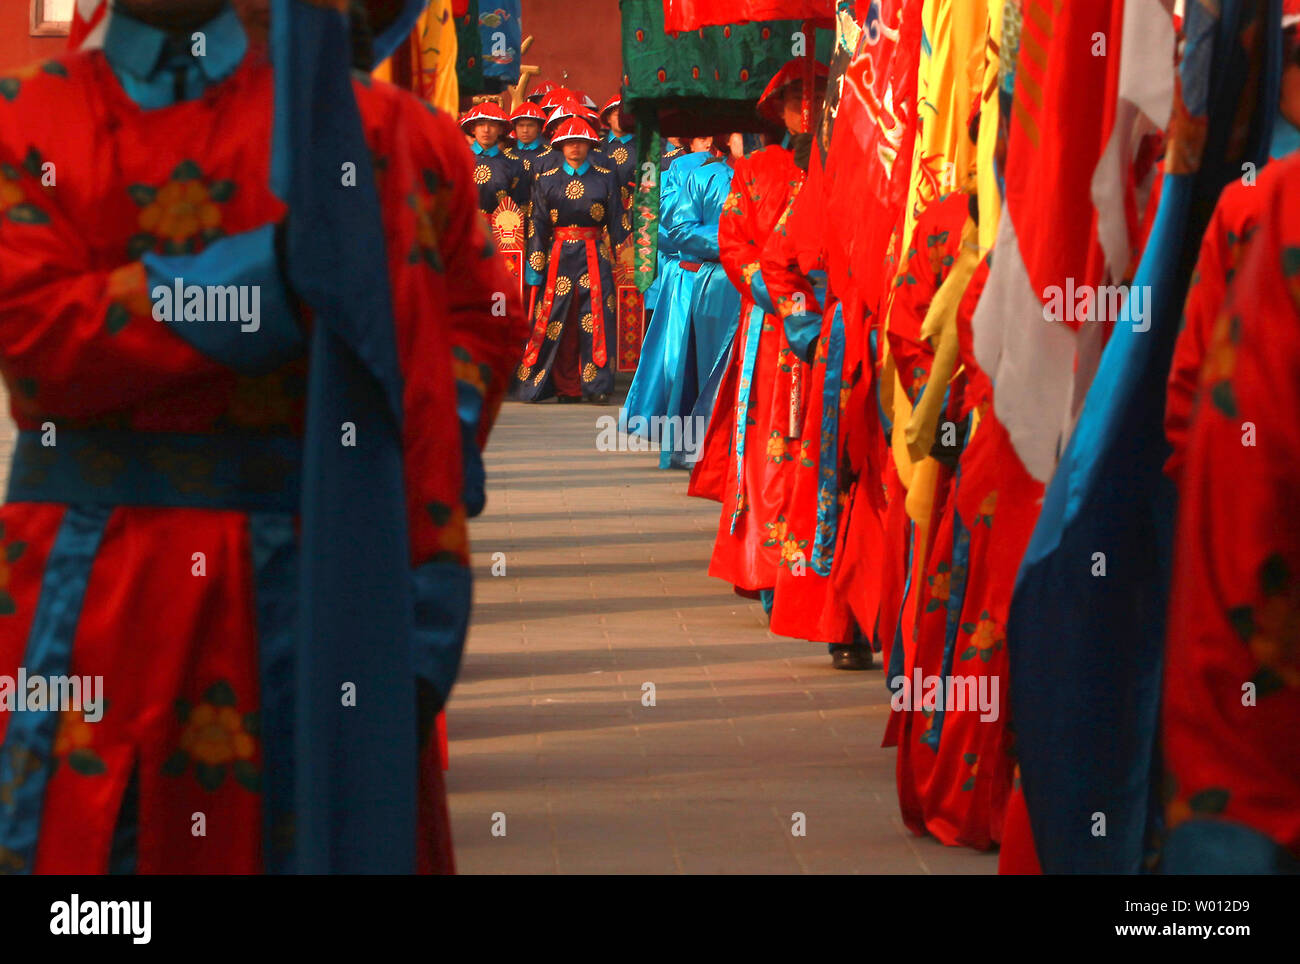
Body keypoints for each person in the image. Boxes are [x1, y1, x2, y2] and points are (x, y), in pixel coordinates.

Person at [0, 0, 525, 873]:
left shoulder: (374, 133)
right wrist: (266, 281)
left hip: (314, 588)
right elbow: (32, 330)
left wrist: (419, 597)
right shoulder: (31, 117)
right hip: (88, 592)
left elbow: (427, 374)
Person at [689, 59, 826, 613]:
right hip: (768, 330)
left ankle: (817, 566)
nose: (807, 108)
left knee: (817, 443)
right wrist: (780, 298)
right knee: (770, 444)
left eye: (817, 96)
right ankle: (766, 565)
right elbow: (734, 243)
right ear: (781, 110)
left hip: (832, 324)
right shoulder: (755, 170)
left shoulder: (845, 165)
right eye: (796, 99)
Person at [513, 117, 630, 404]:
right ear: (560, 145)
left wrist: (627, 263)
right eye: (569, 142)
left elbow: (617, 220)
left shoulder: (605, 176)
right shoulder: (548, 179)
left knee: (597, 317)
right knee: (556, 319)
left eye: (581, 142)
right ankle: (565, 385)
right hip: (558, 256)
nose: (575, 147)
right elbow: (537, 225)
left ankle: (597, 384)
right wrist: (534, 267)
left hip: (595, 254)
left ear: (590, 145)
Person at [462, 101, 532, 219]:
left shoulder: (514, 165)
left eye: (492, 125)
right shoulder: (459, 160)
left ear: (500, 130)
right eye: (481, 124)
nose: (486, 130)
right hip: (463, 231)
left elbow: (521, 206)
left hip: (500, 233)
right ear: (473, 129)